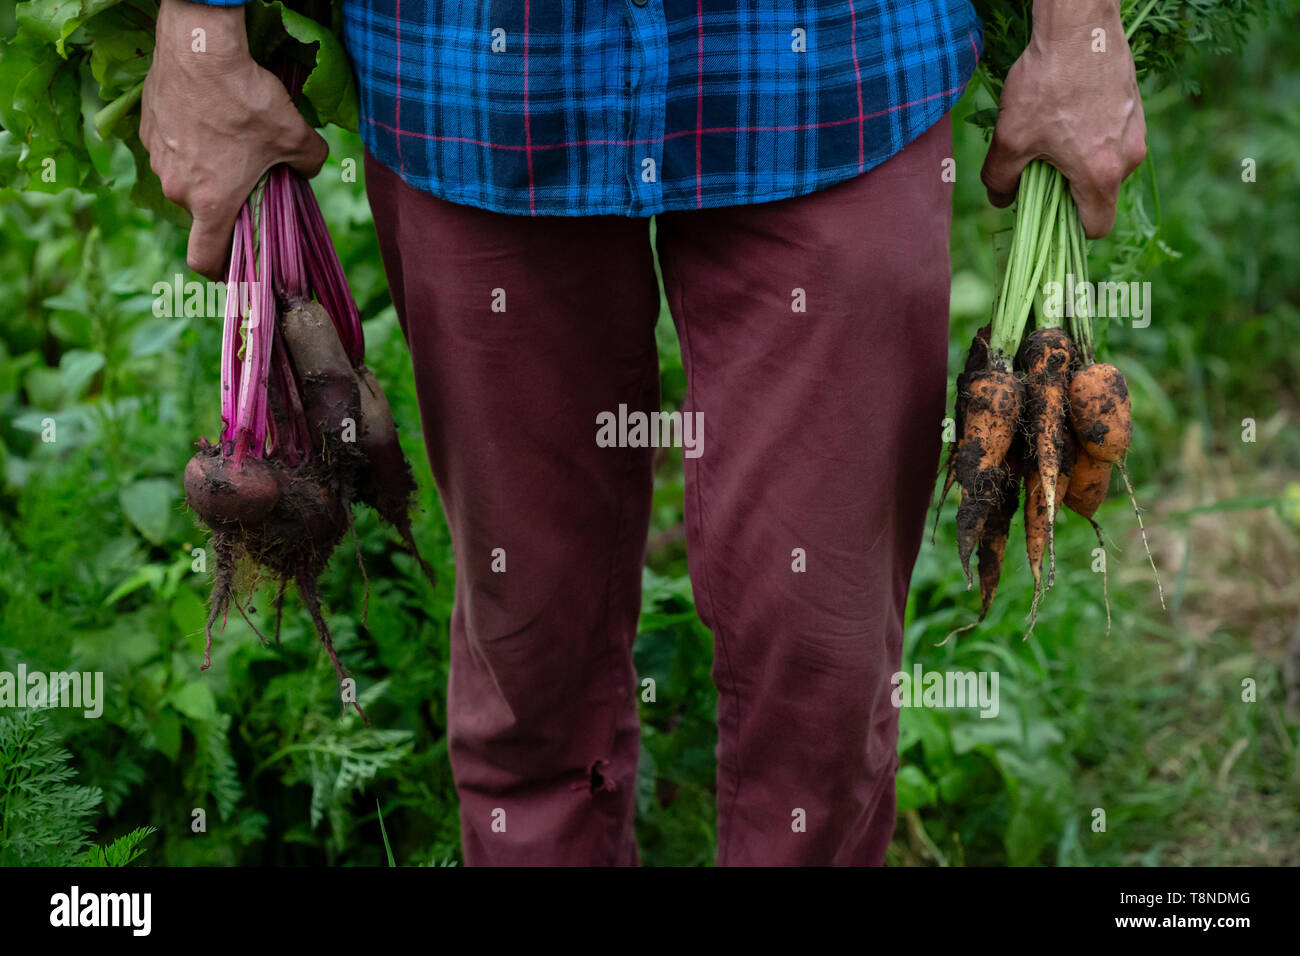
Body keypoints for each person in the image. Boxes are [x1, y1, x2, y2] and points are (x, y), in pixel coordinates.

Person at [142, 0, 1146, 866]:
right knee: (529, 648)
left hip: (837, 67)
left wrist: (1079, 28)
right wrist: (198, 28)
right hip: (475, 76)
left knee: (825, 658)